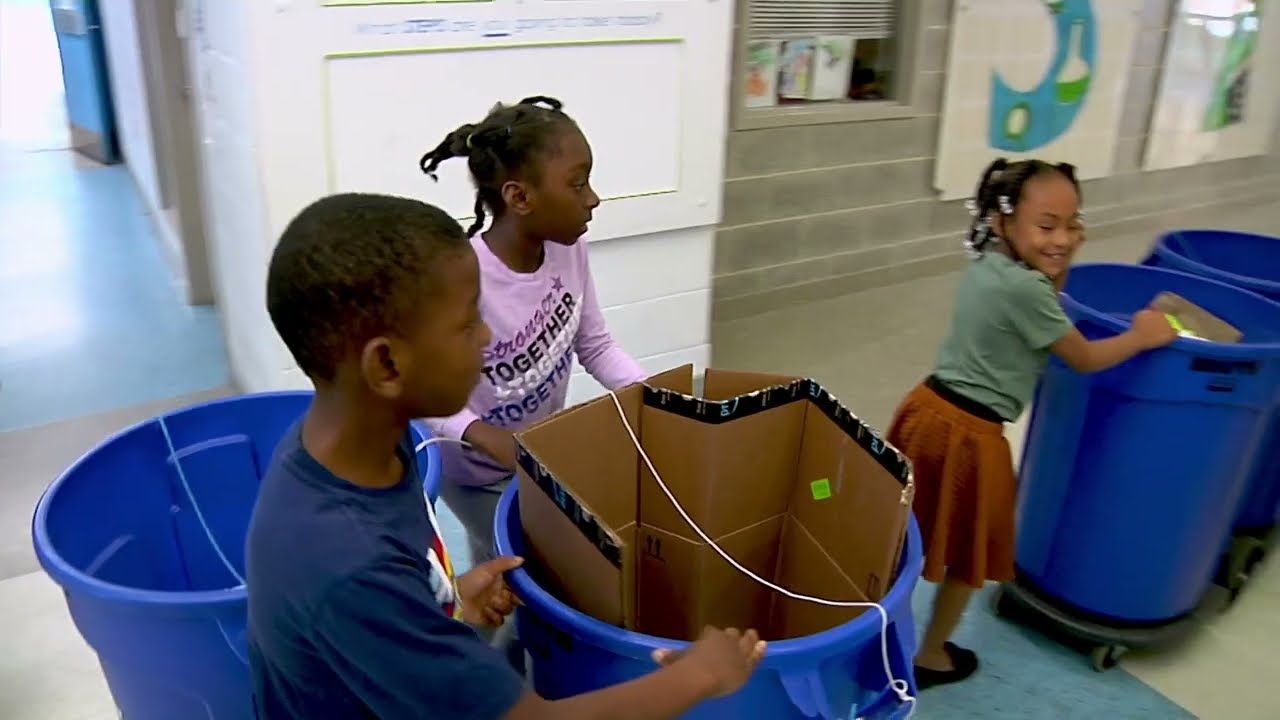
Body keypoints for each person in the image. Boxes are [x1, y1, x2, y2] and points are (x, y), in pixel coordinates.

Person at [247, 193, 766, 719]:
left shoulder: (371, 441)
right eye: (468, 322)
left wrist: (446, 607)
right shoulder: (347, 568)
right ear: (386, 365)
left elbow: (389, 595)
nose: (487, 335)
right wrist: (702, 675)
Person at [886, 159, 1178, 690]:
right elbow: (1085, 357)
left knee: (902, 536)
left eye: (1073, 224)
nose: (1063, 239)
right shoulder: (1027, 293)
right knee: (969, 556)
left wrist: (1059, 255)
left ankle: (868, 629)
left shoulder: (989, 267)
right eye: (1047, 226)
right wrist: (1143, 336)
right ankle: (930, 654)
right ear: (1003, 225)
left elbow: (1051, 296)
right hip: (972, 436)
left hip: (926, 411)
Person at [417, 96, 647, 659]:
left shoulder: (569, 251)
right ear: (519, 197)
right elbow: (426, 394)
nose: (593, 198)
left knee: (499, 576)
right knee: (529, 578)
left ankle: (484, 670)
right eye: (577, 183)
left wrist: (653, 395)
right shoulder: (462, 278)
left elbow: (594, 344)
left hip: (533, 456)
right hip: (474, 469)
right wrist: (486, 437)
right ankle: (479, 679)